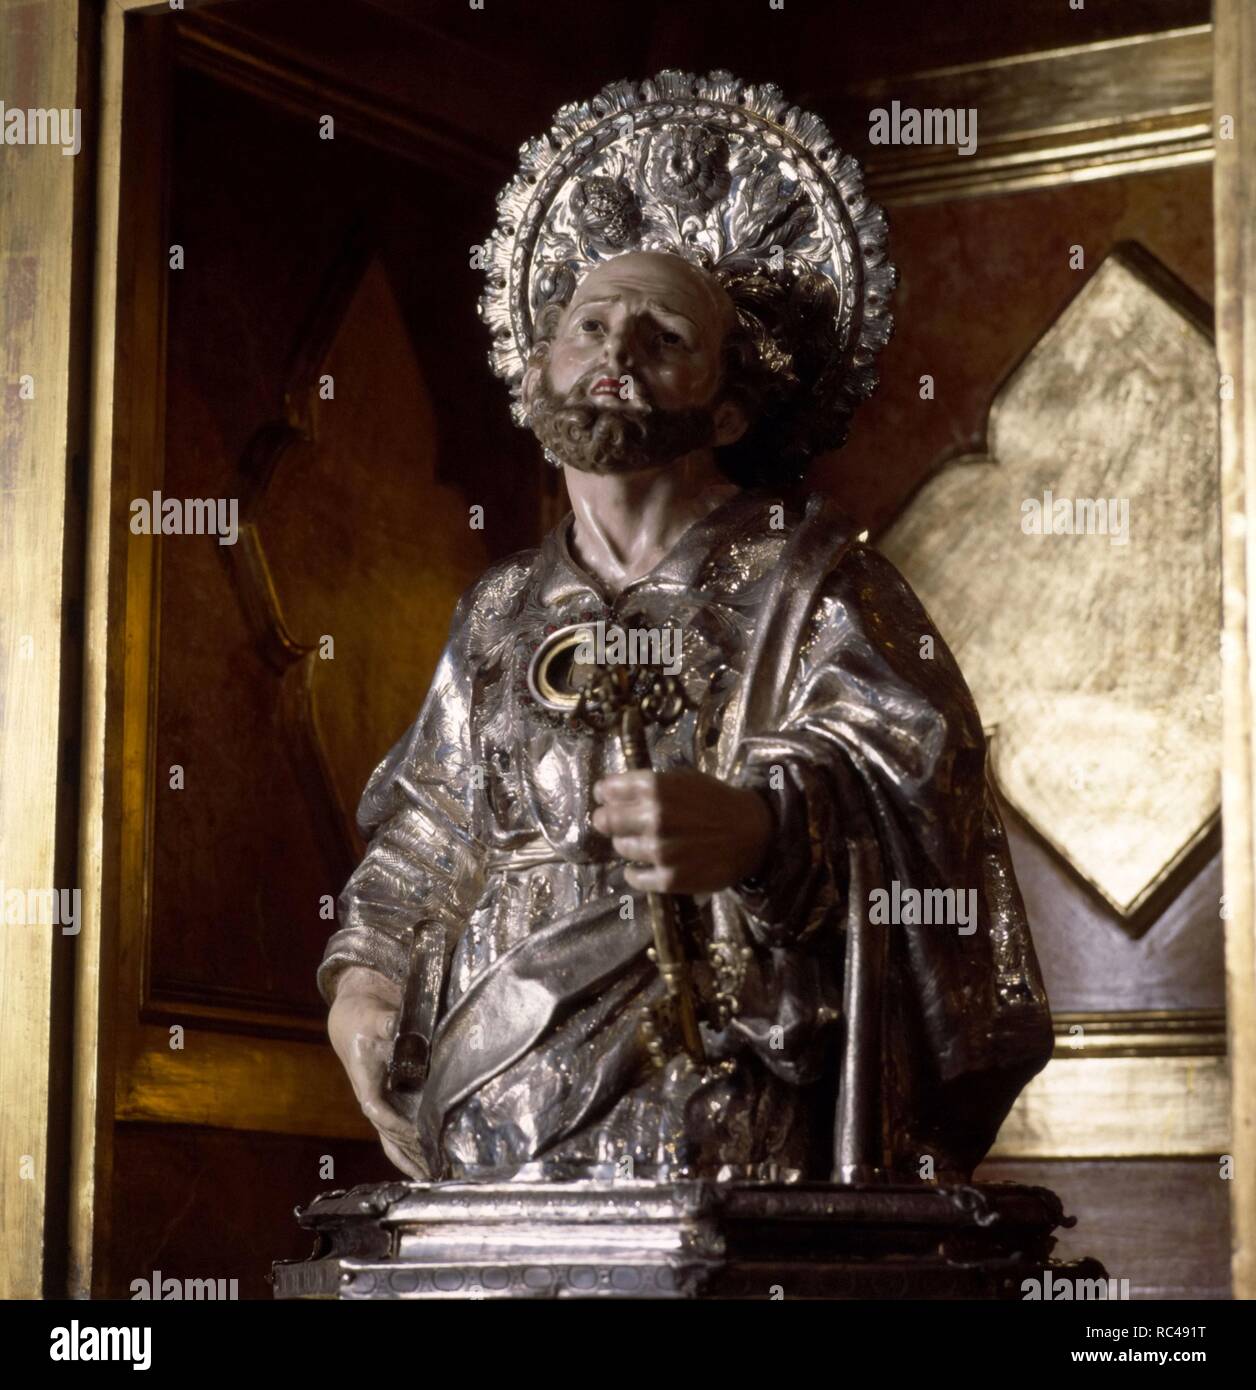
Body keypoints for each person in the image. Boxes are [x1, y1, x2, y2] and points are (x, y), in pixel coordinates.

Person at [321, 71, 1053, 1185]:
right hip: (493, 1091)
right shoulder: (502, 606)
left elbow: (923, 801)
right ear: (537, 373)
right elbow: (430, 827)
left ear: (728, 406)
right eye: (589, 323)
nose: (617, 349)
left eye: (663, 334)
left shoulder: (818, 586)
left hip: (719, 1088)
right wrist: (367, 978)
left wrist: (768, 832)